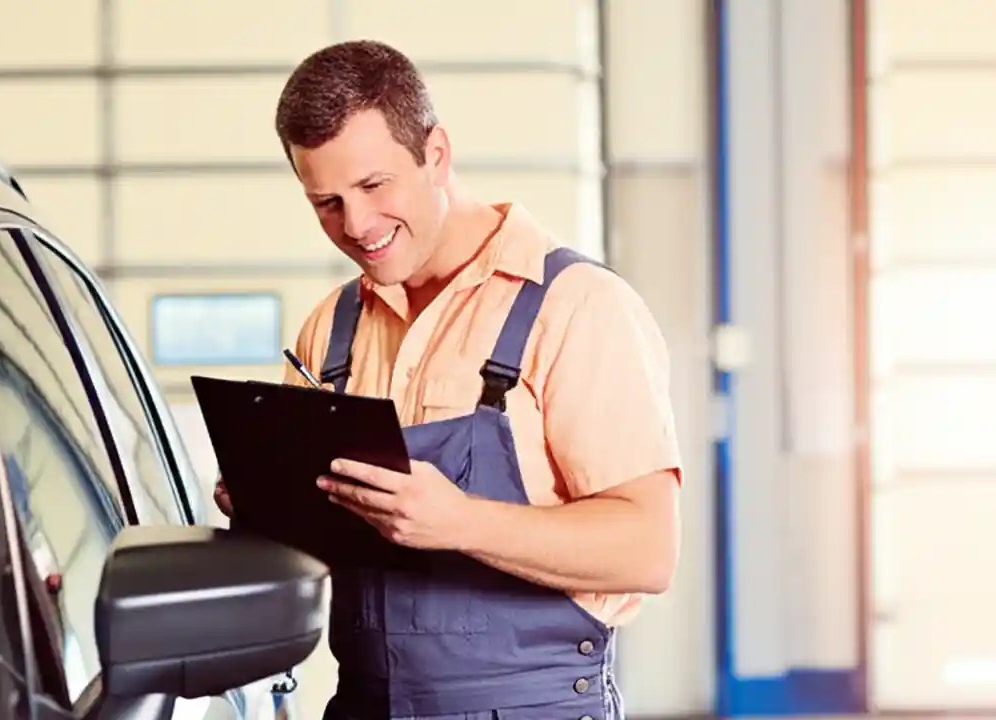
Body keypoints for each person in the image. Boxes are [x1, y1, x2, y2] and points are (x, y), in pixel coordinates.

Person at [214, 39, 683, 720]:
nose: (357, 225)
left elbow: (649, 549)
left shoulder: (577, 307)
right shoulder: (331, 327)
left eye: (374, 186)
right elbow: (319, 549)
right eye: (327, 202)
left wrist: (461, 521)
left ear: (436, 153)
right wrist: (270, 506)